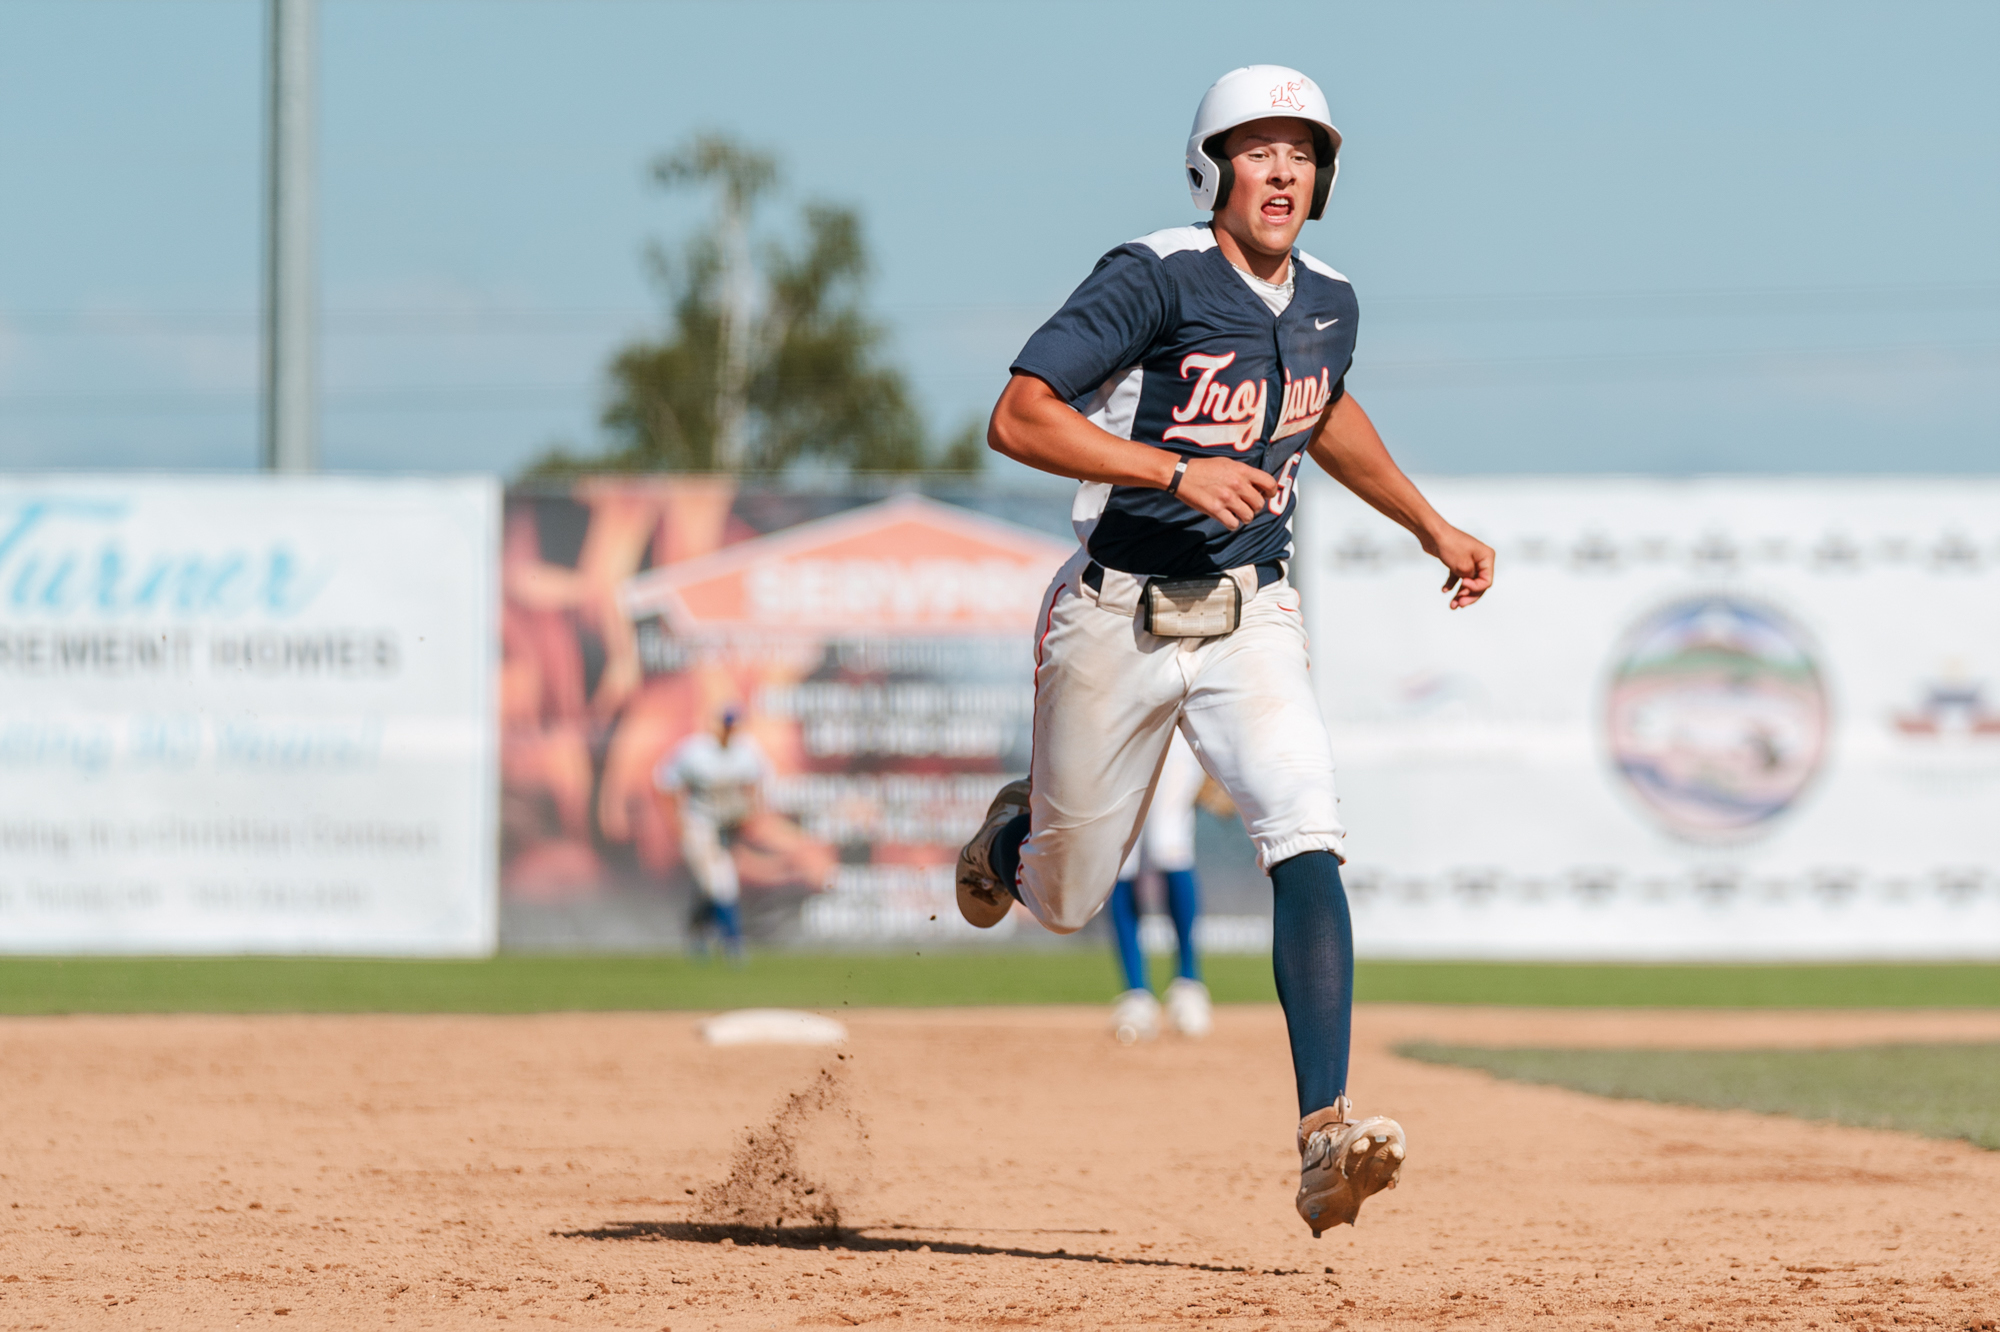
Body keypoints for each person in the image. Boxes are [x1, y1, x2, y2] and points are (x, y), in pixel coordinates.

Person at [954, 65, 1495, 1236]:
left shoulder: (1330, 298)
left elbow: (1323, 406)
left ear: (1327, 175)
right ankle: (1011, 836)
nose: (1282, 169)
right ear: (1211, 168)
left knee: (1305, 826)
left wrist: (1427, 523)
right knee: (1062, 897)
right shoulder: (1153, 274)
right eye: (1256, 148)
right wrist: (1170, 468)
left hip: (1251, 607)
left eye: (1301, 150)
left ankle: (1321, 1136)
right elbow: (1017, 414)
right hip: (1115, 607)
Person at [1107, 730, 1213, 1044]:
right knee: (1120, 852)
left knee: (1169, 842)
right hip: (1120, 722)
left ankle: (1189, 984)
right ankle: (1136, 993)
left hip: (1174, 722)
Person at [656, 705, 769, 960]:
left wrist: (750, 814)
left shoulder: (745, 751)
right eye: (725, 723)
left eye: (733, 724)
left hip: (727, 825)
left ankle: (698, 933)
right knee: (722, 880)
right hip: (699, 823)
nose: (729, 729)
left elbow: (755, 785)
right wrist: (677, 826)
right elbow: (665, 783)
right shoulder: (695, 751)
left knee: (711, 885)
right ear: (714, 724)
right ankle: (733, 940)